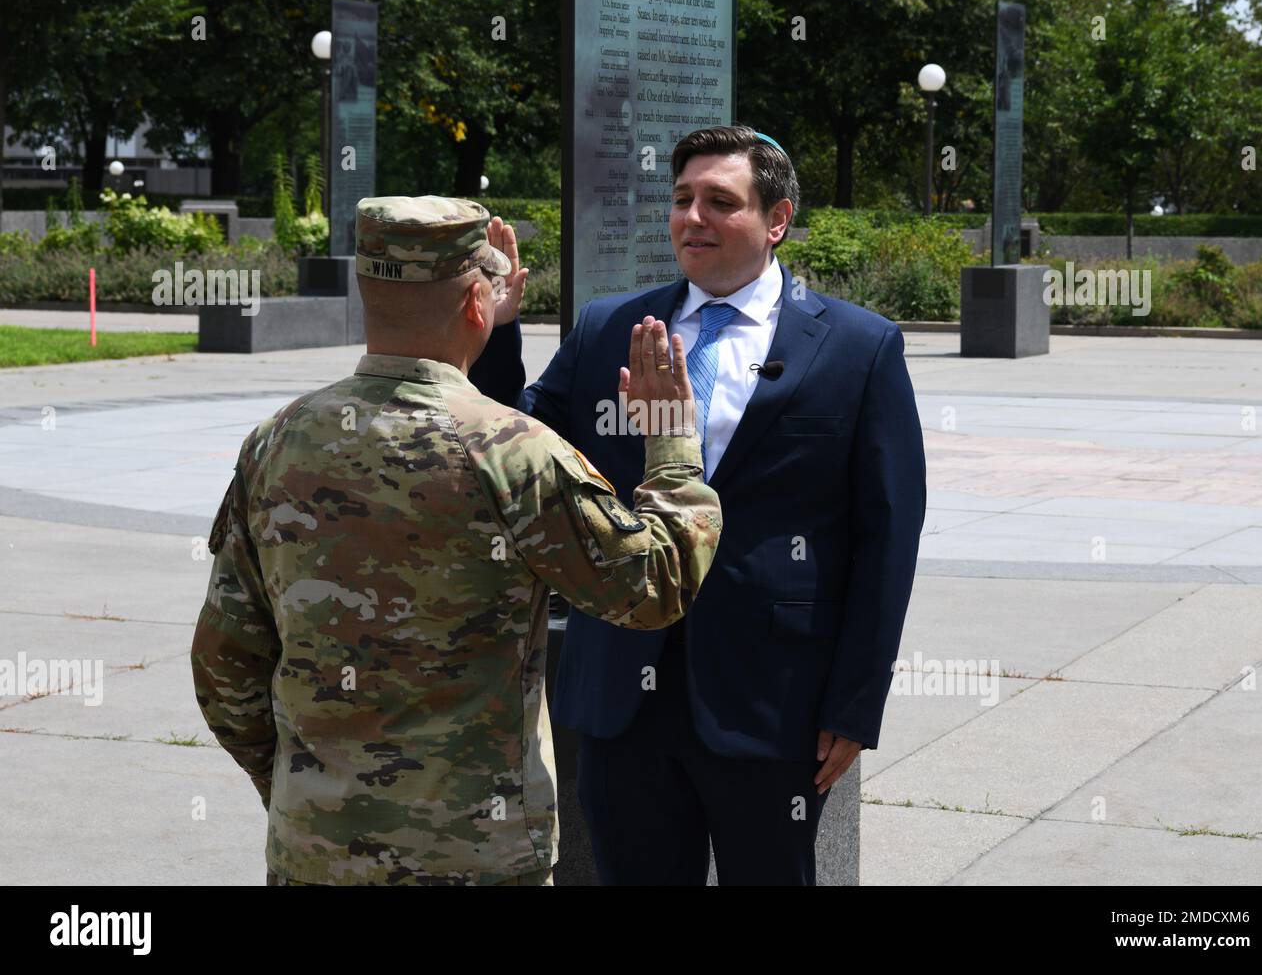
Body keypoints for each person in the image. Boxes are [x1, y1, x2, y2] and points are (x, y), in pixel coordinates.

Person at [190, 195, 722, 886]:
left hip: (315, 849)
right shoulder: (514, 452)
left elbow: (224, 662)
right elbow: (653, 587)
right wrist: (673, 445)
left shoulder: (277, 440)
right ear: (479, 304)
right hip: (477, 856)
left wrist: (301, 791)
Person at [470, 125, 927, 885]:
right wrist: (499, 328)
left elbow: (888, 535)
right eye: (682, 199)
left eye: (721, 201)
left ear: (776, 220)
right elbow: (510, 441)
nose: (693, 217)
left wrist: (855, 704)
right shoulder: (612, 326)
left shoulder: (857, 346)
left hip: (774, 701)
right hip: (622, 692)